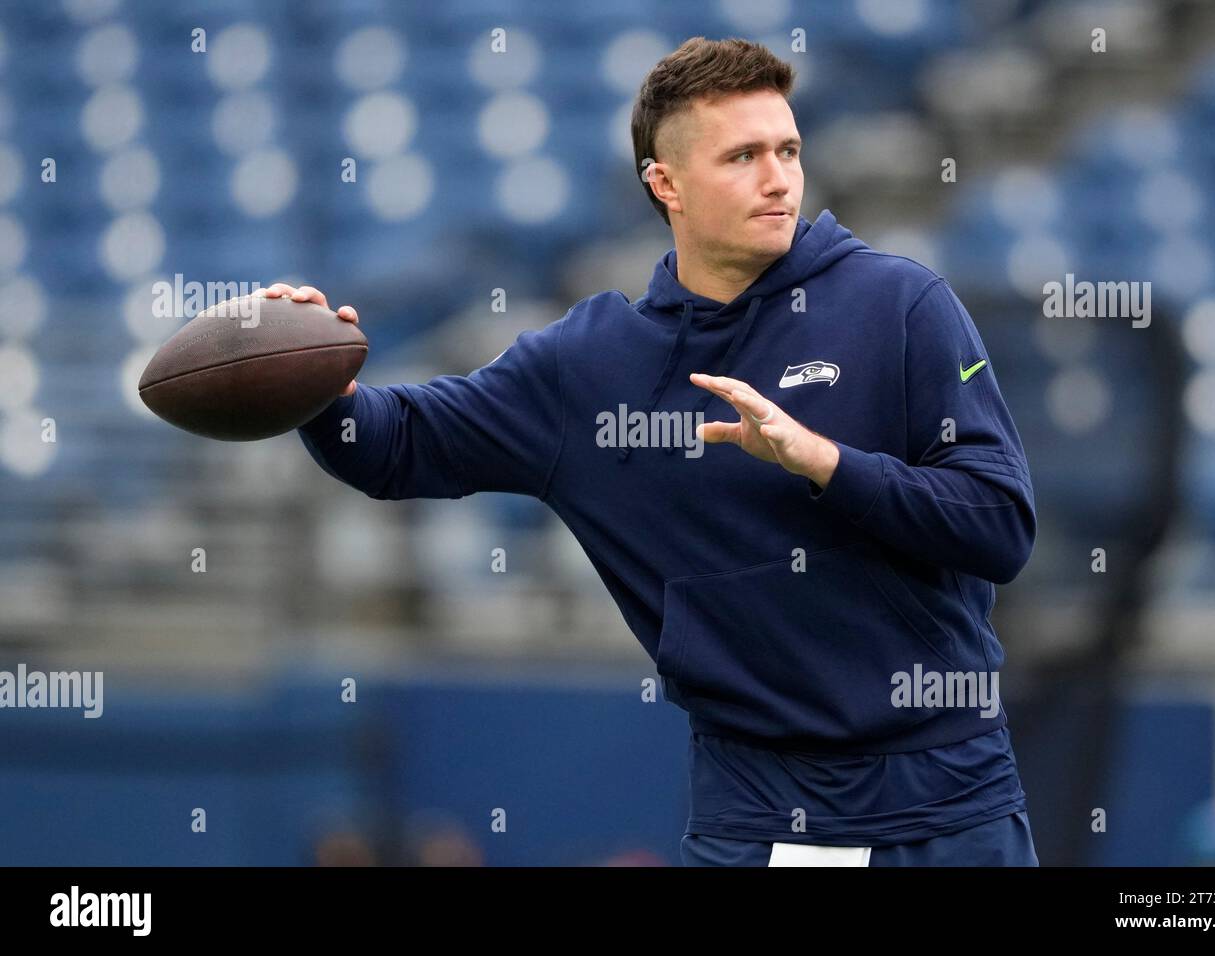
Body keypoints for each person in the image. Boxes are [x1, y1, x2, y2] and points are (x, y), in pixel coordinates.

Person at [274, 36, 1039, 867]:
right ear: (664, 184)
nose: (778, 178)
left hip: (951, 801)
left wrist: (824, 463)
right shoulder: (590, 365)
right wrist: (313, 382)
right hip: (759, 814)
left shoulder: (902, 303)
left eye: (788, 150)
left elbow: (1000, 527)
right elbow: (396, 446)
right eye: (742, 156)